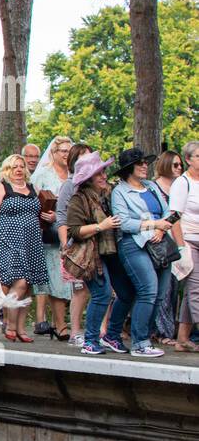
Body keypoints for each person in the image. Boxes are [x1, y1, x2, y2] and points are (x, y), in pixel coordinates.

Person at [105, 148, 169, 357]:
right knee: (147, 290)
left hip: (160, 243)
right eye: (139, 163)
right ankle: (140, 343)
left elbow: (168, 212)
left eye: (145, 162)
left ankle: (144, 337)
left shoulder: (151, 186)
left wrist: (161, 228)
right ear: (128, 169)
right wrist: (152, 224)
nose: (144, 166)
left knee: (159, 295)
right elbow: (123, 222)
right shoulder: (120, 191)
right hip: (134, 244)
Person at [0, 154, 48, 342]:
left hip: (31, 240)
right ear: (7, 170)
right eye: (14, 167)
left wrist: (49, 217)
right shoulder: (2, 187)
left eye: (21, 166)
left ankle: (21, 328)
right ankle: (10, 324)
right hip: (8, 238)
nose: (18, 170)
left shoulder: (33, 188)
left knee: (28, 286)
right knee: (18, 281)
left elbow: (40, 212)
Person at [65, 152, 121, 355]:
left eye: (104, 171)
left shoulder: (106, 195)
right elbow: (74, 231)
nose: (104, 176)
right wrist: (101, 226)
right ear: (89, 179)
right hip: (91, 257)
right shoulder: (79, 199)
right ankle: (90, 341)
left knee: (117, 293)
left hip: (109, 254)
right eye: (99, 173)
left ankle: (107, 337)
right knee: (101, 294)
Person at [30, 136, 73, 339]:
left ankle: (61, 323)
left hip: (71, 232)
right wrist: (45, 214)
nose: (66, 155)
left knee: (68, 281)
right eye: (62, 151)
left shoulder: (74, 175)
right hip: (48, 234)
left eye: (68, 151)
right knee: (56, 278)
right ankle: (60, 324)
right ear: (53, 153)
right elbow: (32, 200)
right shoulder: (44, 175)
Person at [55, 142, 93, 345]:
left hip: (97, 241)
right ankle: (75, 331)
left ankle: (100, 330)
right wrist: (64, 244)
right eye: (81, 158)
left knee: (101, 289)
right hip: (76, 242)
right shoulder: (69, 185)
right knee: (80, 289)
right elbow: (61, 216)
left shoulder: (96, 183)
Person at [170, 142, 199, 352]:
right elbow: (175, 218)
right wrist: (181, 248)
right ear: (188, 159)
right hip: (188, 240)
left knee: (192, 292)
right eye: (198, 156)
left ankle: (182, 339)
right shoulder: (182, 183)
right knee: (196, 290)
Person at [152, 151, 183, 345]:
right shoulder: (154, 187)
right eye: (175, 165)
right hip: (160, 240)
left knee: (174, 289)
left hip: (178, 240)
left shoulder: (181, 186)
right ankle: (162, 332)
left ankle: (169, 329)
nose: (179, 168)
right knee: (162, 288)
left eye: (180, 164)